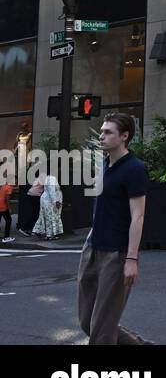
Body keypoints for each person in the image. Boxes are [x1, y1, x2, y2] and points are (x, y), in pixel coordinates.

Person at [78, 114, 150, 345]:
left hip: (116, 255)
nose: (101, 136)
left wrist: (131, 258)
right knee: (88, 322)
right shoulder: (105, 163)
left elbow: (137, 216)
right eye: (101, 131)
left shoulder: (135, 169)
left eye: (108, 132)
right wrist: (90, 238)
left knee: (101, 331)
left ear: (124, 136)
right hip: (92, 249)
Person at [31, 169, 63, 240]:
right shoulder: (52, 178)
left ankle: (39, 231)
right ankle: (49, 235)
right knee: (50, 217)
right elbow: (52, 191)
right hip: (49, 201)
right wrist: (56, 201)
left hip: (46, 199)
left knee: (44, 216)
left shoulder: (49, 178)